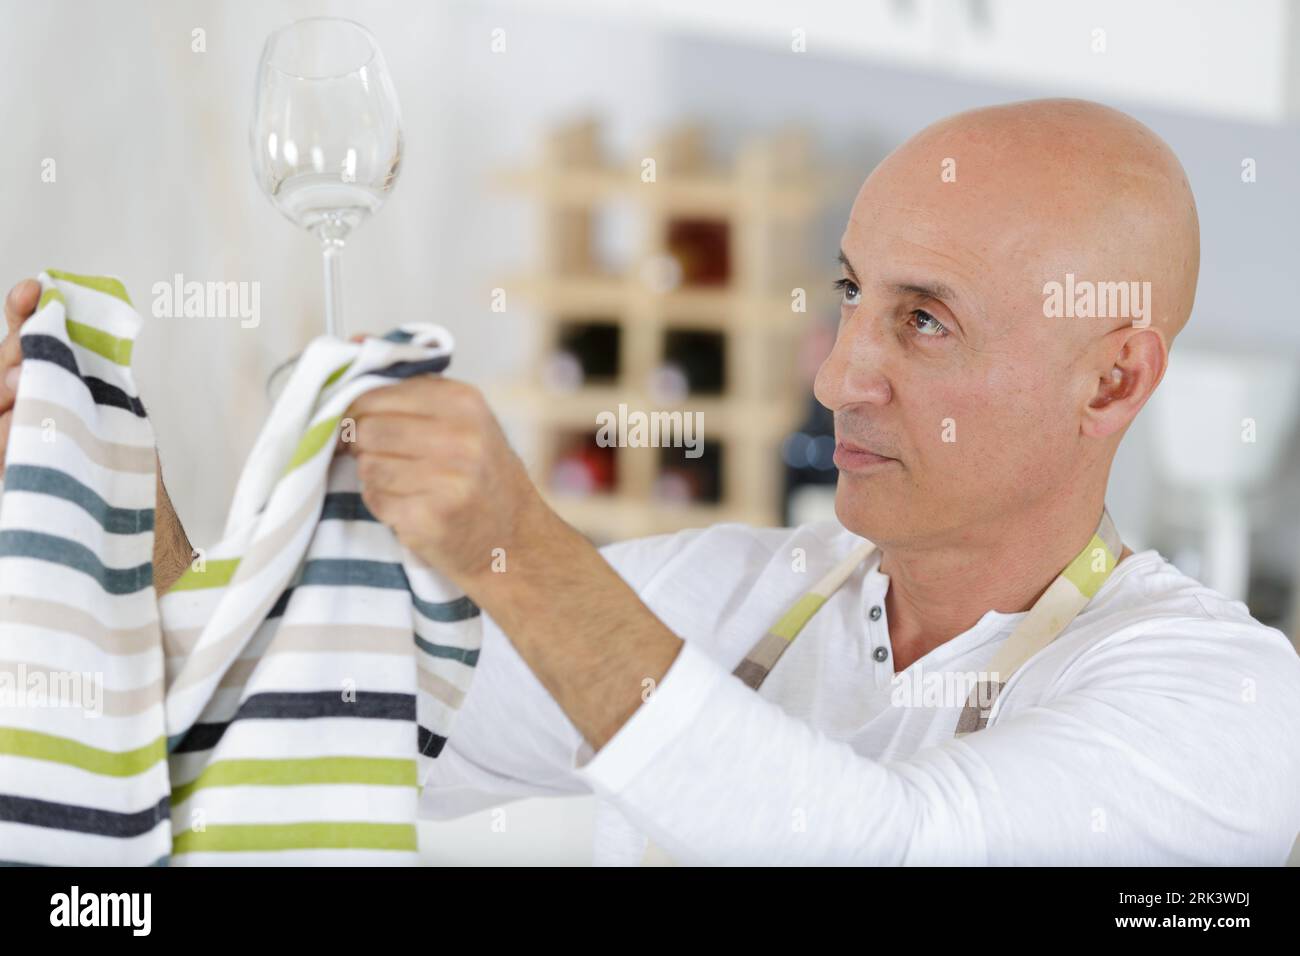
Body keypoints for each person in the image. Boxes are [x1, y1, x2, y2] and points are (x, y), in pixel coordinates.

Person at [3, 98, 1298, 865]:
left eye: (925, 323)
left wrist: (517, 548)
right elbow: (272, 719)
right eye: (854, 296)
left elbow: (885, 850)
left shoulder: (1230, 709)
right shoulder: (745, 593)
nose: (840, 372)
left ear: (1112, 382)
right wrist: (98, 462)